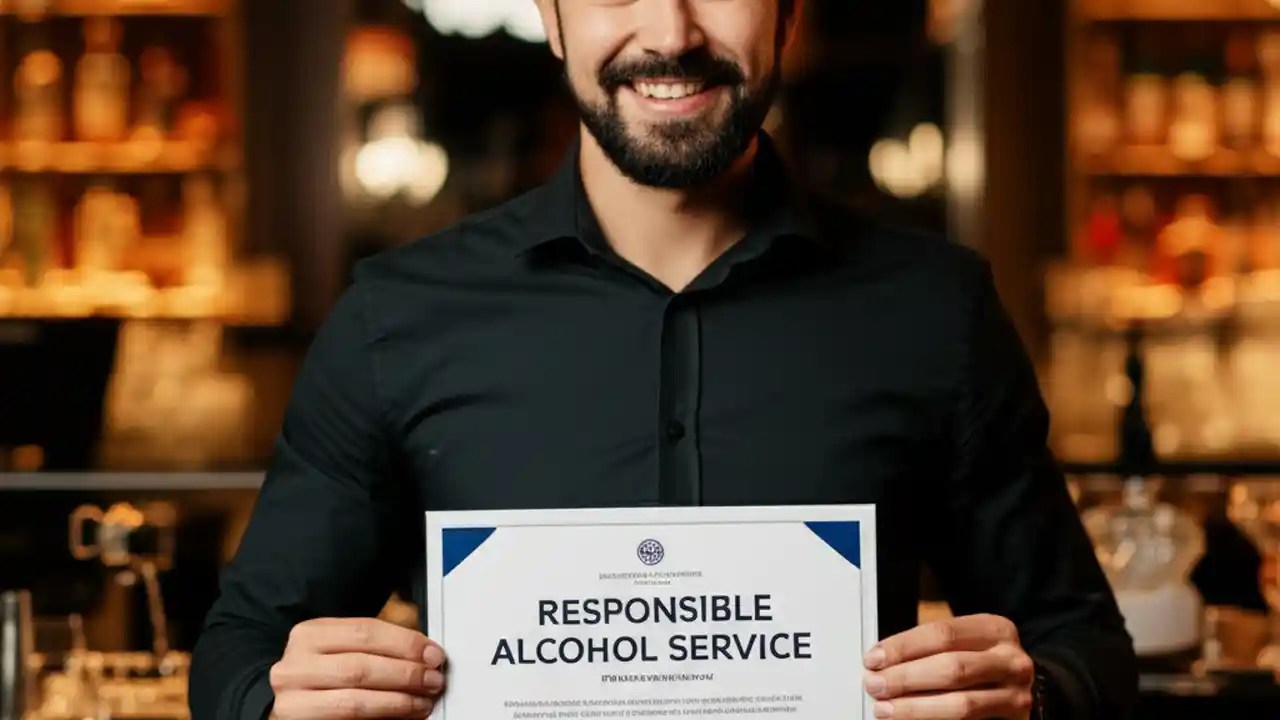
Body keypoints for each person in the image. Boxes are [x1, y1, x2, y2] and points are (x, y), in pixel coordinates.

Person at [190, 1, 1137, 719]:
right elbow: (235, 656)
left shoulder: (935, 307)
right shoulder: (396, 315)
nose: (670, 31)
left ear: (787, 13)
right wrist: (279, 699)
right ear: (552, 20)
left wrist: (1029, 693)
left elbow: (1084, 646)